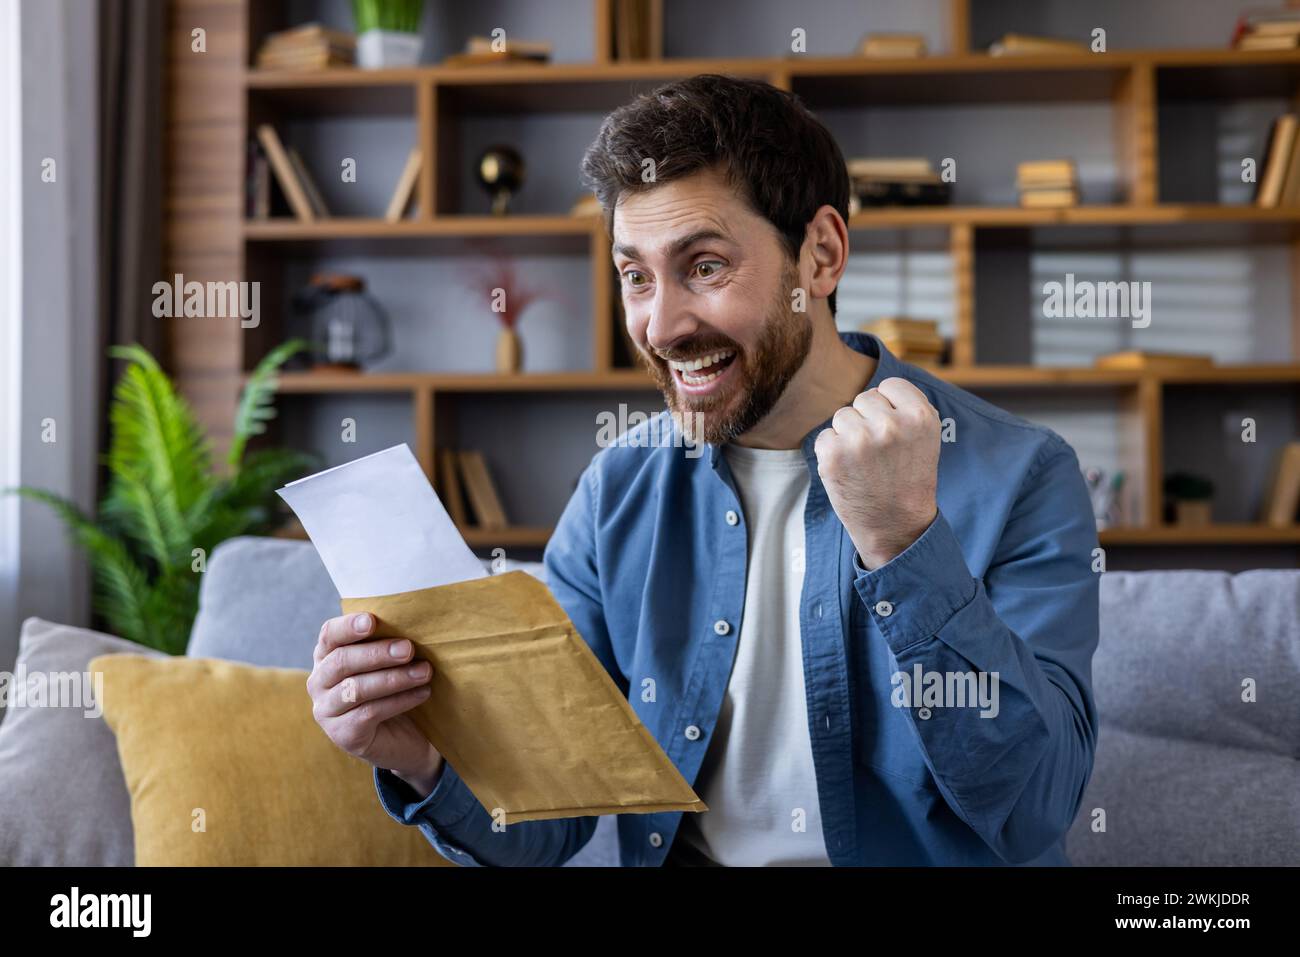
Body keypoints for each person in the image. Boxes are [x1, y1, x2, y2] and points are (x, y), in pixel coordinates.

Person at [306, 74, 1100, 867]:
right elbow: (552, 820)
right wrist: (421, 759)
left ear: (820, 256)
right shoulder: (618, 490)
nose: (662, 325)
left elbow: (1033, 811)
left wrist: (905, 545)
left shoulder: (1019, 473)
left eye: (706, 266)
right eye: (636, 275)